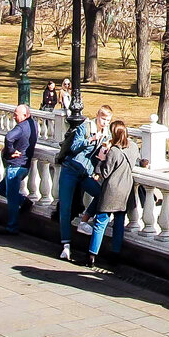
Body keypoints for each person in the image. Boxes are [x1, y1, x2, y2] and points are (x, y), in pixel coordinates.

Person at [54, 105, 108, 257]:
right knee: (65, 207)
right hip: (70, 170)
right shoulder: (85, 128)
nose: (105, 123)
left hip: (85, 174)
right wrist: (90, 139)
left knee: (101, 195)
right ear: (97, 116)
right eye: (103, 119)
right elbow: (75, 146)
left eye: (108, 120)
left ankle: (84, 221)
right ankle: (66, 244)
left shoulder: (106, 133)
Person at [82, 120, 136, 267]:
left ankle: (92, 255)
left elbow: (105, 173)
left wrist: (101, 160)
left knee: (101, 222)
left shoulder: (114, 151)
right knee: (119, 222)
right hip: (126, 189)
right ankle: (115, 254)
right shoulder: (133, 147)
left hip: (112, 190)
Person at [0, 104, 38, 238]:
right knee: (1, 189)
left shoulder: (21, 127)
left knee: (12, 198)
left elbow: (9, 137)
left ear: (25, 115)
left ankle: (12, 227)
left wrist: (10, 151)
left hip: (15, 166)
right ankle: (24, 201)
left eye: (16, 114)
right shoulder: (33, 124)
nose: (14, 116)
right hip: (24, 166)